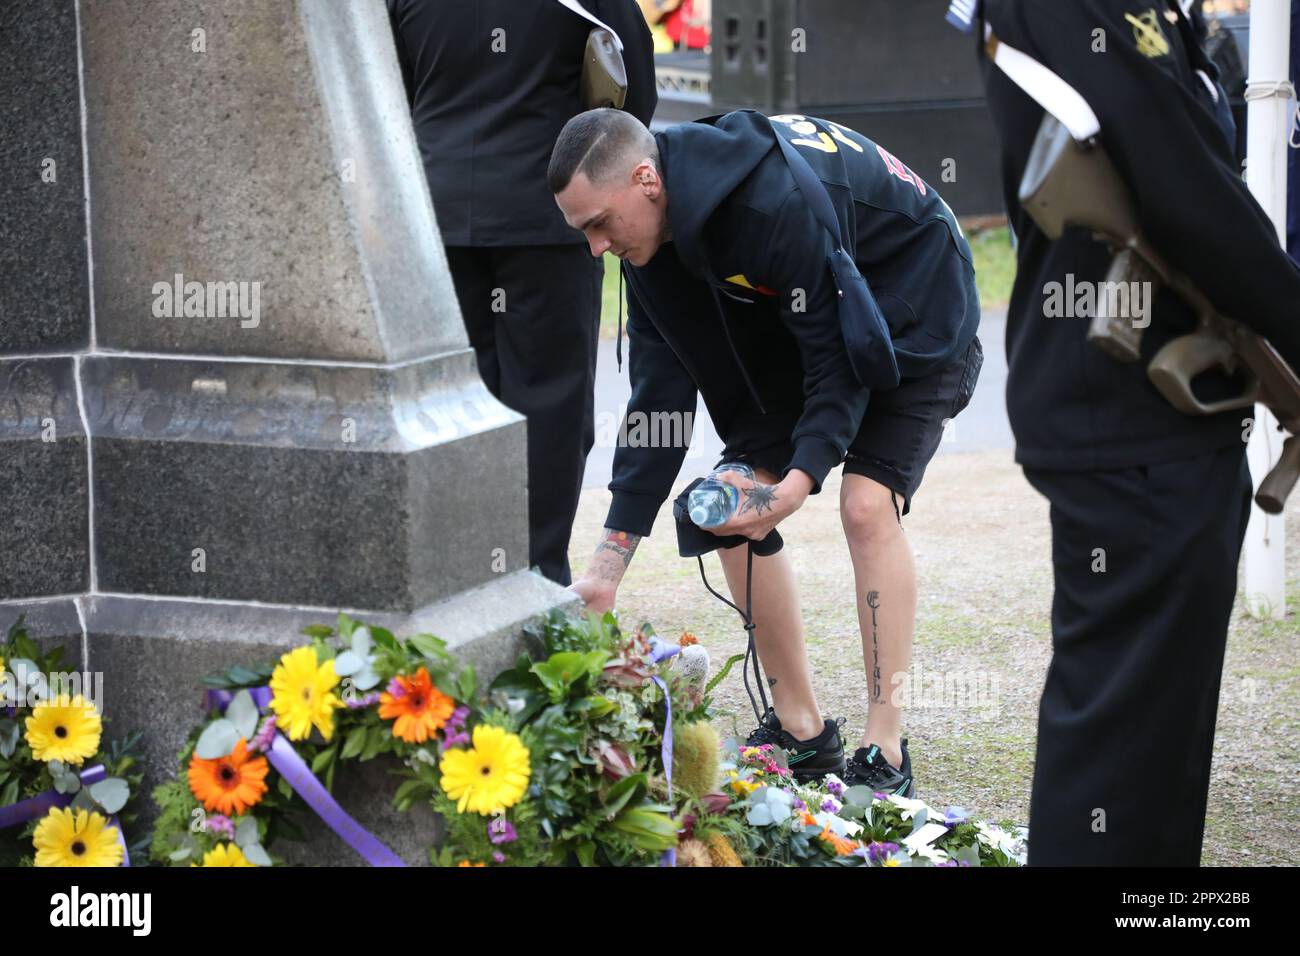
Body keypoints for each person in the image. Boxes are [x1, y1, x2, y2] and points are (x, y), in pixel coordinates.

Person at [549, 107, 983, 794]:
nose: (595, 248)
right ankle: (802, 730)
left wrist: (798, 482)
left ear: (645, 179)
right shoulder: (647, 244)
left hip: (915, 306)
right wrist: (608, 565)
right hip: (810, 329)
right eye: (582, 232)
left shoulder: (763, 200)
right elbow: (658, 399)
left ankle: (885, 748)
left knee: (866, 506)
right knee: (722, 502)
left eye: (599, 224)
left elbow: (837, 356)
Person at [975, 0, 1300, 864]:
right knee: (1122, 763)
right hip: (1128, 409)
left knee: (1156, 749)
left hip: (1159, 408)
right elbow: (1183, 183)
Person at [386, 0, 657, 585]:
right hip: (549, 217)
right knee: (551, 409)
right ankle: (534, 579)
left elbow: (390, 87)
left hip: (440, 211)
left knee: (454, 404)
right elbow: (634, 93)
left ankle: (457, 579)